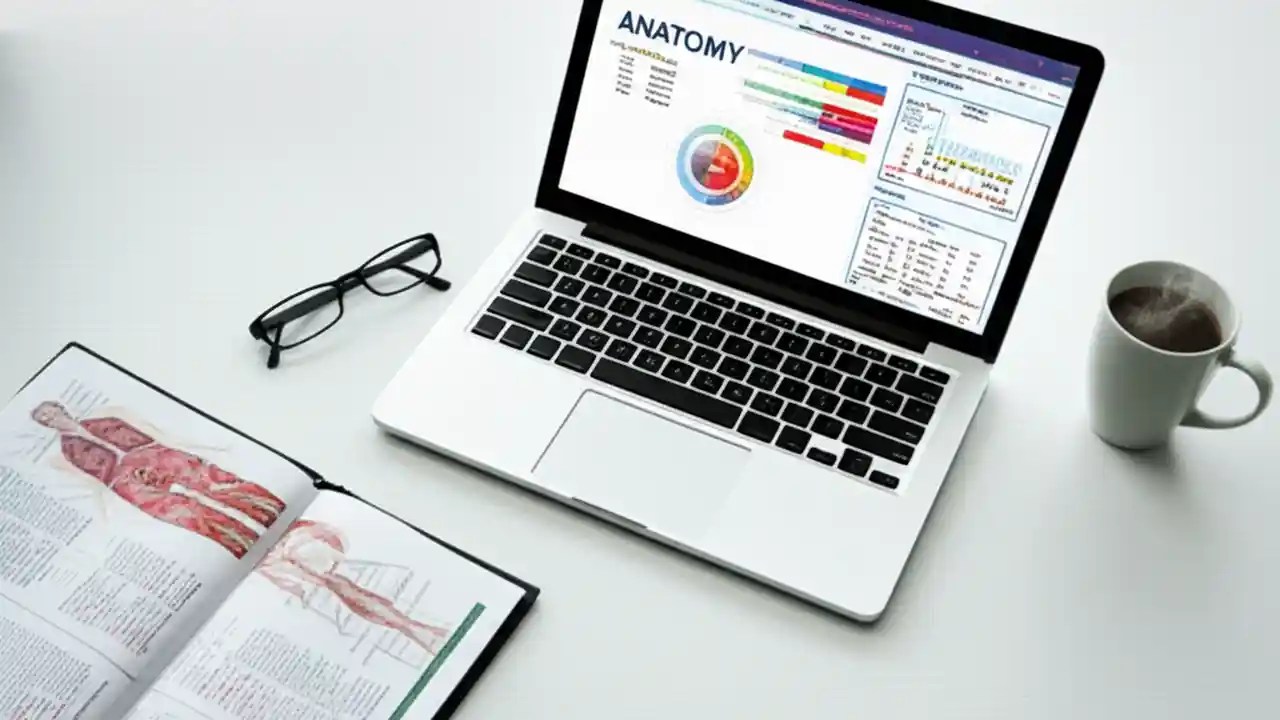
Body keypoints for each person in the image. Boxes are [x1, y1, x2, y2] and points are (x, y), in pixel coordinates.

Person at [31, 401, 286, 558]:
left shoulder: (106, 422)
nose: (52, 420)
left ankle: (272, 511)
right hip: (124, 479)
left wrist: (148, 457)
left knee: (211, 480)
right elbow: (101, 473)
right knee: (183, 512)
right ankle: (243, 544)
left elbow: (143, 437)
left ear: (61, 409)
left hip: (153, 454)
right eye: (46, 420)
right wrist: (128, 472)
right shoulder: (69, 450)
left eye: (52, 413)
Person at [256, 519, 451, 652]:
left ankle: (416, 629)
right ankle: (416, 630)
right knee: (344, 590)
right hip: (310, 566)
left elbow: (323, 538)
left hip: (314, 555)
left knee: (346, 589)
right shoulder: (283, 559)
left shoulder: (299, 541)